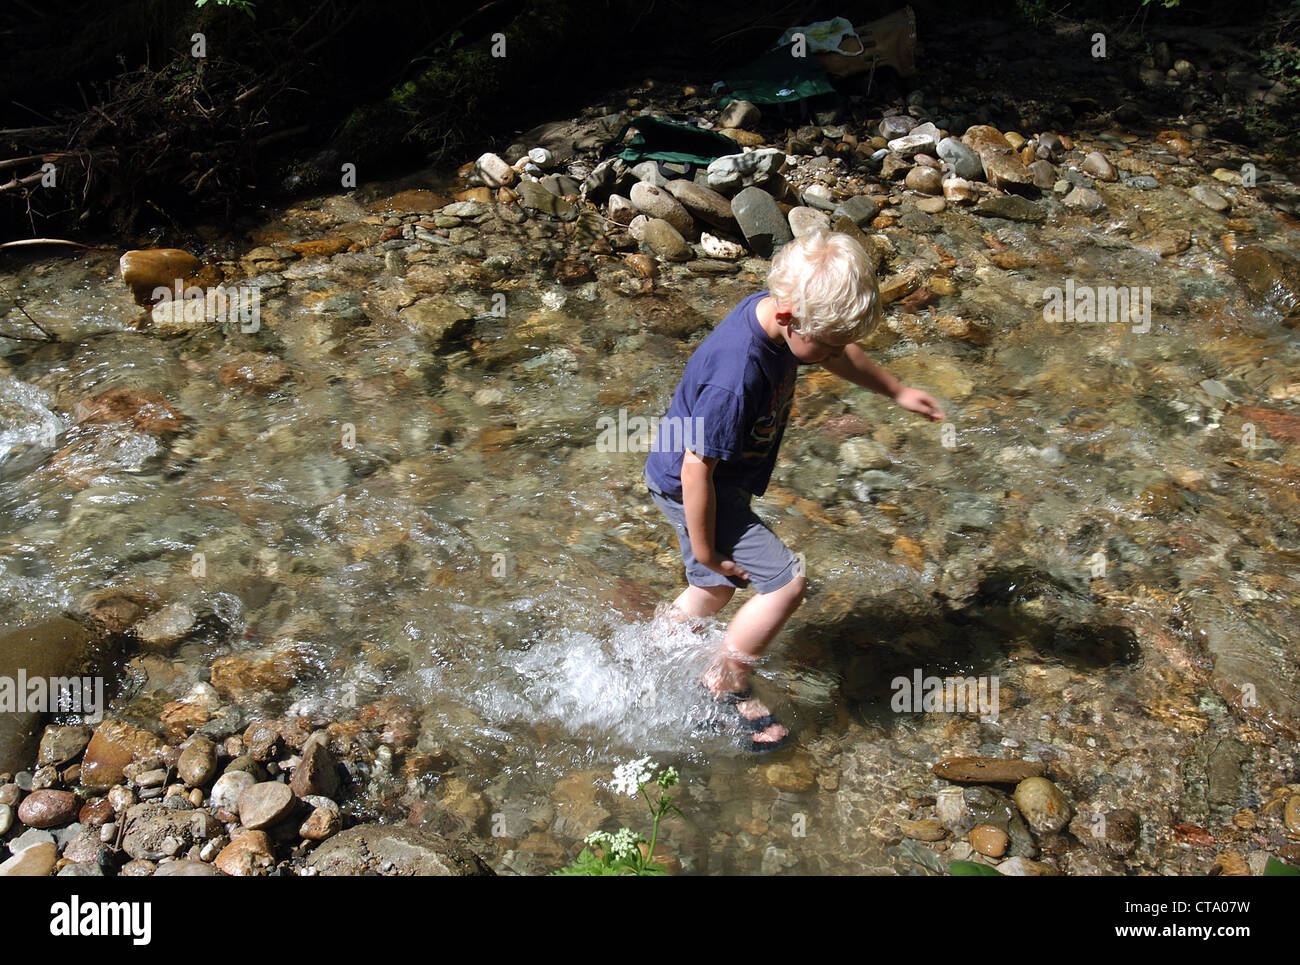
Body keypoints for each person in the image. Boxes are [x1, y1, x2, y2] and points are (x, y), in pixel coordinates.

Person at [643, 229, 945, 750]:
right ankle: (722, 686)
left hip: (700, 479)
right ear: (788, 316)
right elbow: (697, 467)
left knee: (714, 589)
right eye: (825, 342)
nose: (828, 353)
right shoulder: (736, 376)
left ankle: (647, 657)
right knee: (784, 583)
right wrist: (707, 549)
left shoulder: (781, 315)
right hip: (696, 485)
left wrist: (895, 390)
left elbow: (834, 353)